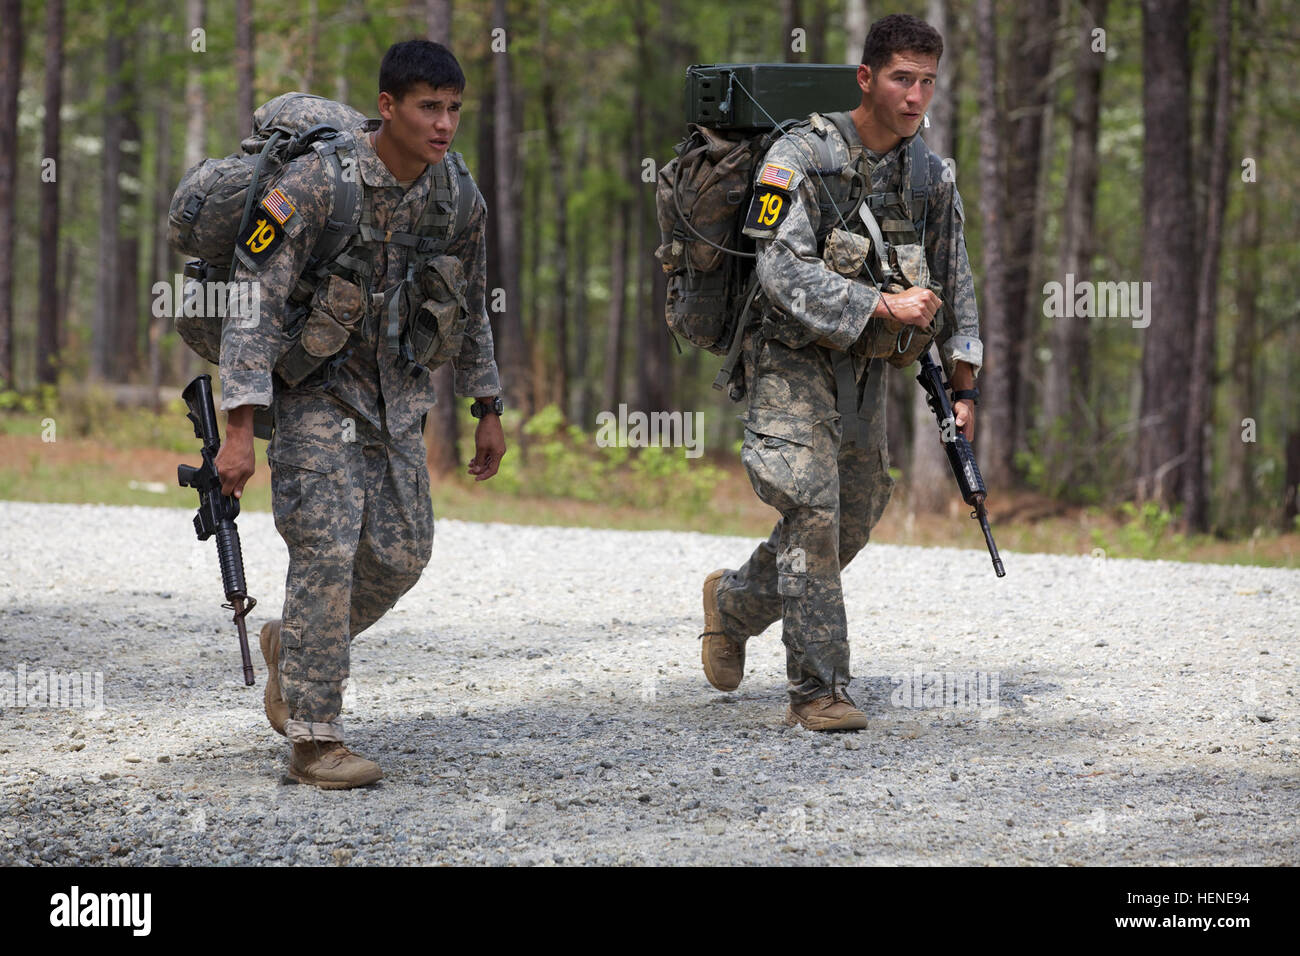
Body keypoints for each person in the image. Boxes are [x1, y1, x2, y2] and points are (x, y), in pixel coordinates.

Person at [214, 40, 506, 788]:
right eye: (427, 107)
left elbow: (470, 306)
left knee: (404, 555)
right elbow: (253, 300)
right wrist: (240, 429)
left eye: (453, 110)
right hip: (316, 396)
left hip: (398, 402)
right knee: (327, 552)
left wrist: (487, 405)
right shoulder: (317, 186)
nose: (444, 125)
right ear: (388, 108)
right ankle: (315, 740)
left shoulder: (457, 198)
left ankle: (298, 645)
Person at [700, 13, 983, 731]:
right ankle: (818, 691)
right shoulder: (799, 157)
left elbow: (957, 278)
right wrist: (883, 301)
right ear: (867, 79)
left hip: (864, 367)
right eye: (900, 79)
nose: (915, 97)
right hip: (786, 356)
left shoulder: (928, 173)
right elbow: (778, 268)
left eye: (927, 82)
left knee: (854, 515)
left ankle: (732, 605)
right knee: (813, 510)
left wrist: (963, 379)